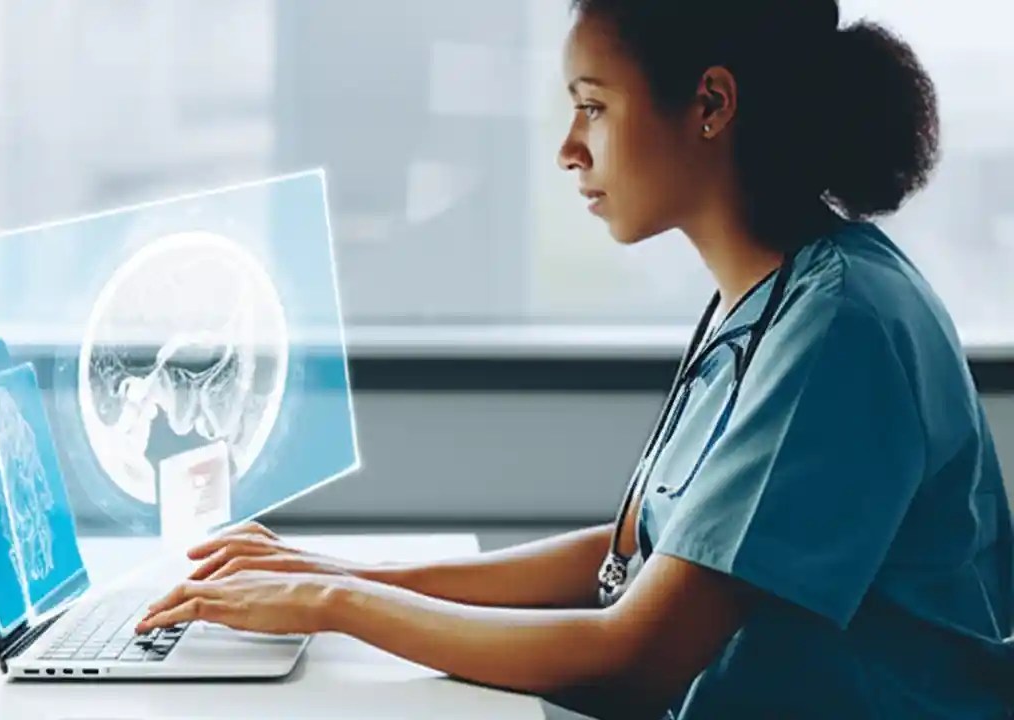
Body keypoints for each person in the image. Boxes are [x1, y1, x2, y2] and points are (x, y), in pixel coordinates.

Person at [136, 1, 1014, 716]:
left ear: (710, 105)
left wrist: (336, 607)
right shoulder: (766, 294)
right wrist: (337, 573)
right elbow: (641, 552)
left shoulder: (839, 326)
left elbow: (637, 657)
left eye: (593, 105)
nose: (568, 148)